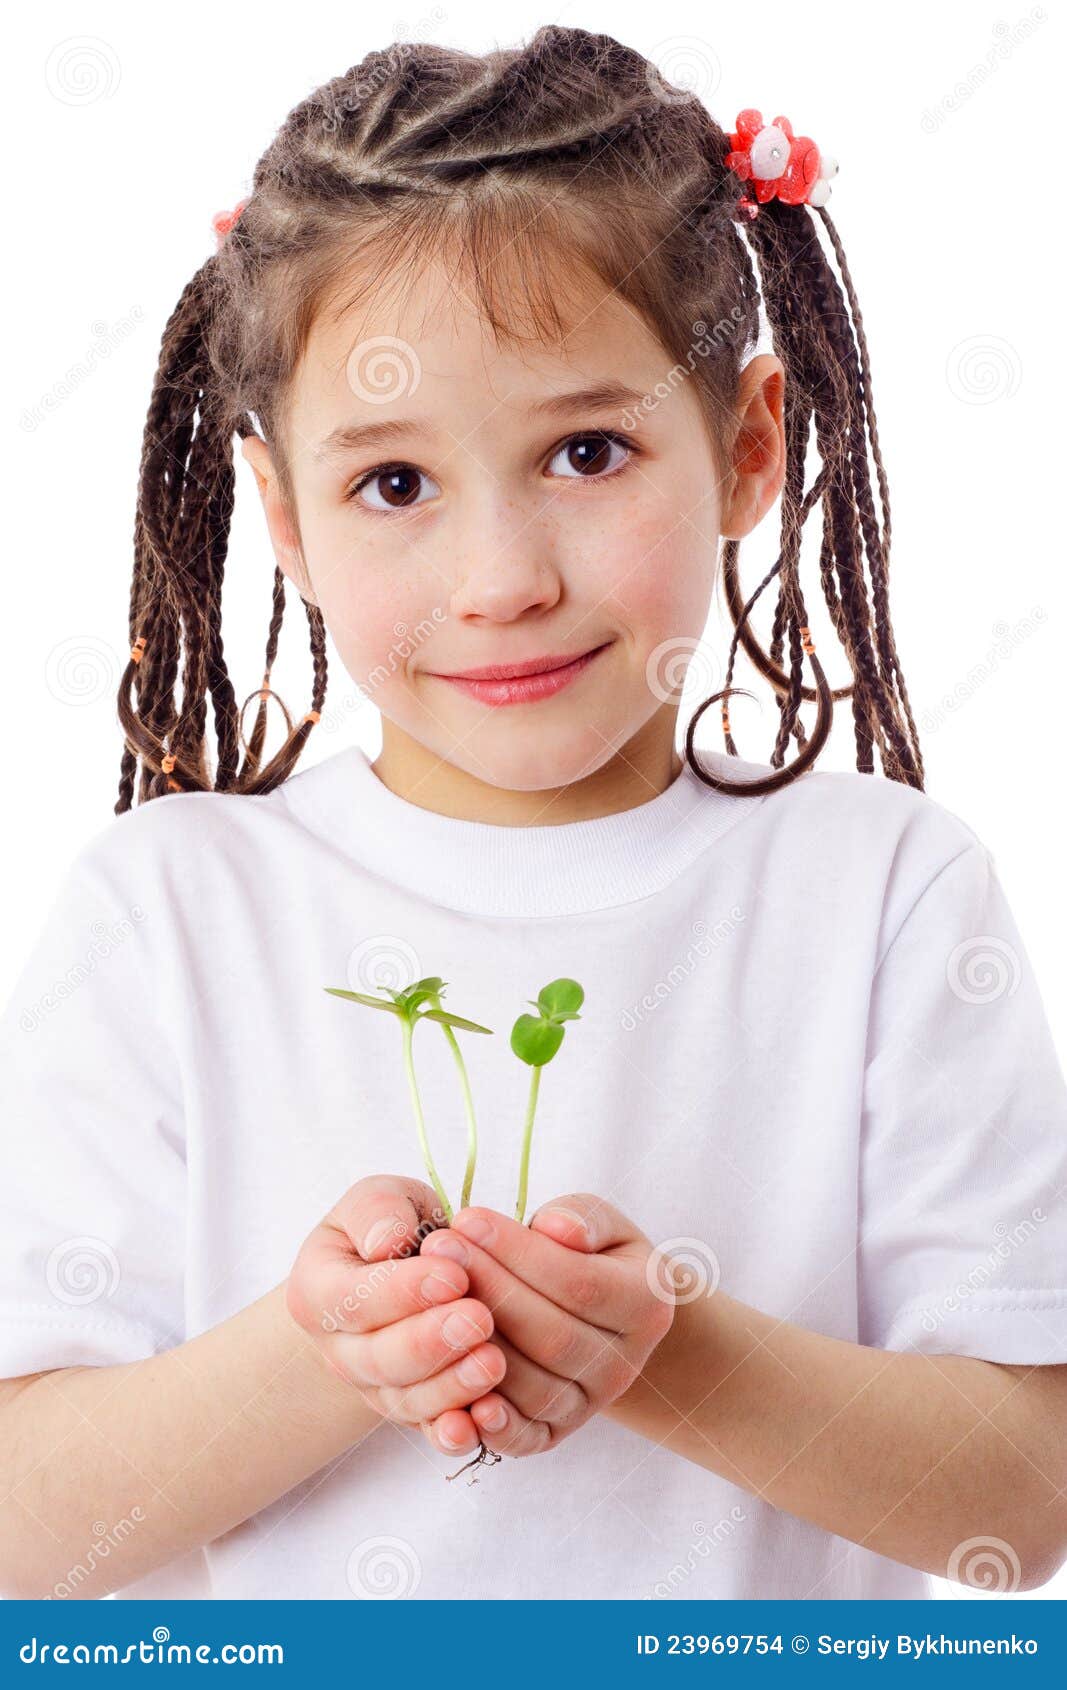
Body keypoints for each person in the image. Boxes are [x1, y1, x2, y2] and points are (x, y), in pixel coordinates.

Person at [1, 24, 1065, 1603]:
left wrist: (668, 1351)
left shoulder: (885, 889)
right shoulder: (169, 912)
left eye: (586, 450)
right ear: (283, 514)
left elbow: (1022, 1502)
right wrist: (324, 1355)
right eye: (396, 484)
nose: (502, 580)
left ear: (748, 443)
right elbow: (30, 1534)